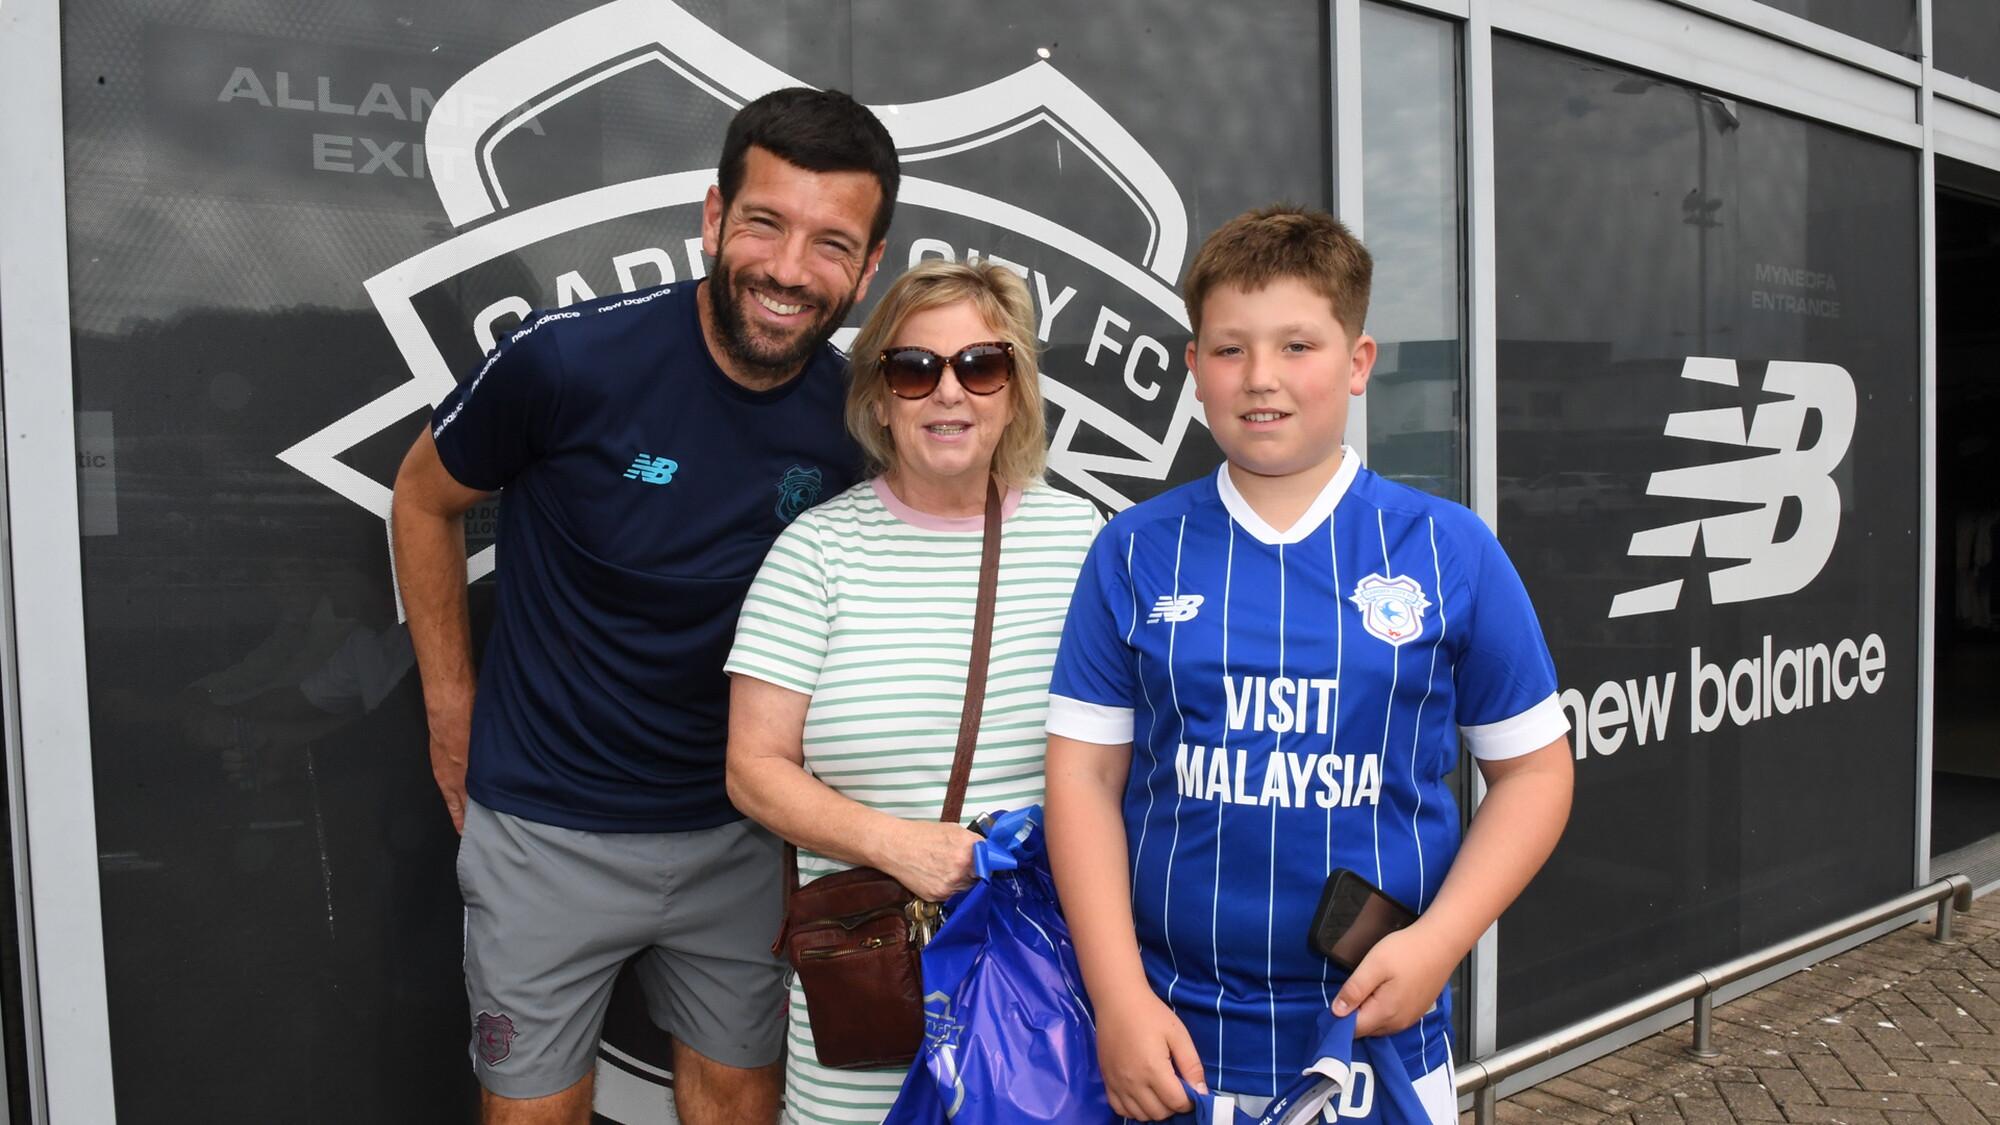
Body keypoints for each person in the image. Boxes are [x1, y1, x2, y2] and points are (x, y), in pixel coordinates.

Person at [388, 87, 898, 1125]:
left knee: (741, 1105)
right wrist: (451, 711)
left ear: (869, 267)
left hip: (742, 835)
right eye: (765, 222)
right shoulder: (566, 359)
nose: (791, 270)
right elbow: (420, 498)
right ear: (713, 220)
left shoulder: (852, 417)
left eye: (831, 242)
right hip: (543, 827)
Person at [1043, 205, 1575, 1124]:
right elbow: (1084, 778)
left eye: (1298, 345)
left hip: (1375, 1032)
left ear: (1358, 362)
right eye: (1229, 349)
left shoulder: (1449, 550)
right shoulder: (1132, 551)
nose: (1261, 379)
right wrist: (1119, 996)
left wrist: (1441, 944)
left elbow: (1533, 772)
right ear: (1194, 369)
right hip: (1170, 1034)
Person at [724, 259, 1103, 1124]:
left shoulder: (1082, 537)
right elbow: (753, 766)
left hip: (1040, 981)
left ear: (1014, 388)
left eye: (979, 365)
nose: (948, 393)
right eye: (914, 367)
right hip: (874, 981)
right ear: (881, 393)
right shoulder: (814, 553)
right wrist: (898, 843)